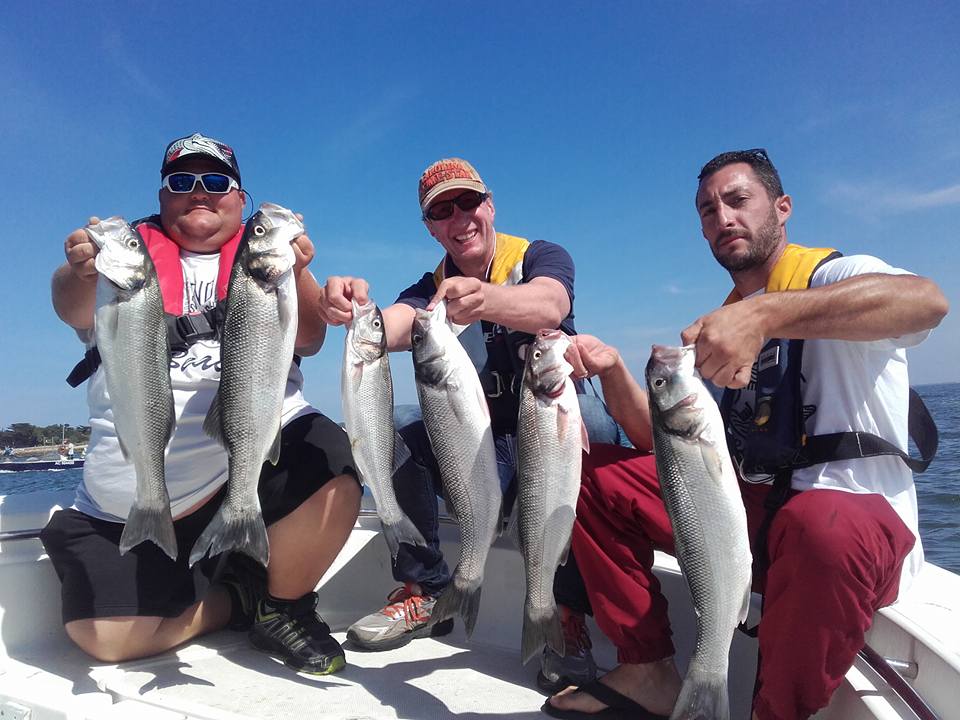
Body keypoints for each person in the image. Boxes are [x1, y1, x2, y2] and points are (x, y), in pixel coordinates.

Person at [543, 148, 948, 720]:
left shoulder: (834, 276)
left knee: (821, 526)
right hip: (748, 518)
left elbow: (926, 302)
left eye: (738, 200)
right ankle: (647, 669)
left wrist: (764, 316)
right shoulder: (725, 321)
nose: (723, 218)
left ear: (782, 208)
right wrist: (613, 371)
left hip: (847, 530)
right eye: (708, 210)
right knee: (590, 476)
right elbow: (667, 448)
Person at [41, 133, 362, 676]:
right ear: (161, 196)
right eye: (181, 181)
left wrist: (298, 271)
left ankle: (282, 606)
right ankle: (239, 597)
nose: (199, 192)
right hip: (130, 500)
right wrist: (79, 271)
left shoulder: (267, 262)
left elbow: (308, 338)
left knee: (328, 453)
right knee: (103, 638)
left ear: (240, 198)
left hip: (243, 463)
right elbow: (69, 306)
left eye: (215, 181)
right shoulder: (123, 263)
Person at [318, 158, 621, 689]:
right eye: (442, 211)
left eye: (468, 202)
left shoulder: (538, 257)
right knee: (397, 431)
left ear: (490, 205)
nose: (459, 218)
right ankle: (428, 590)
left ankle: (563, 612)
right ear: (431, 228)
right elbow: (397, 324)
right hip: (477, 444)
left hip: (547, 434)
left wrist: (489, 301)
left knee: (594, 426)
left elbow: (551, 303)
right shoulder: (431, 289)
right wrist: (356, 312)